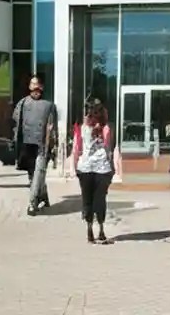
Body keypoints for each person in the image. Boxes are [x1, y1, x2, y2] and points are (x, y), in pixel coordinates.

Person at [71, 98, 115, 244]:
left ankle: (89, 230)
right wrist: (112, 168)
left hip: (85, 168)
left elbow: (77, 149)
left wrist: (75, 166)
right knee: (100, 199)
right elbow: (109, 149)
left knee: (87, 199)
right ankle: (101, 230)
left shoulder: (81, 128)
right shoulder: (106, 128)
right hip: (102, 168)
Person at [13, 76, 57, 216]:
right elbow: (16, 121)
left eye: (38, 86)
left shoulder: (49, 105)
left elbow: (52, 127)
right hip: (26, 144)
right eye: (33, 85)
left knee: (38, 172)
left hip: (41, 145)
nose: (35, 89)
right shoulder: (23, 103)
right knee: (33, 175)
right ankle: (43, 196)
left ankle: (32, 203)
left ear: (42, 88)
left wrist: (52, 146)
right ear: (29, 87)